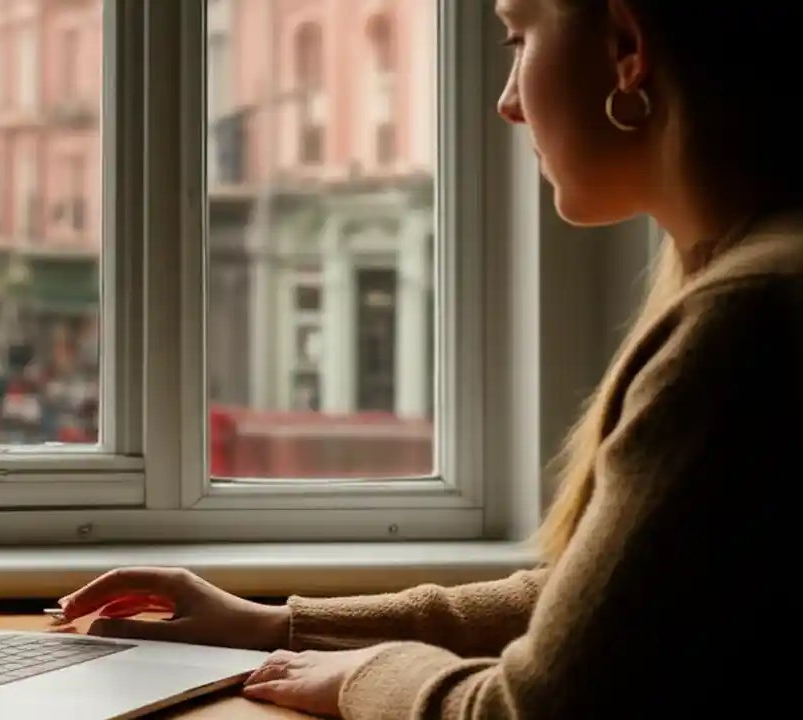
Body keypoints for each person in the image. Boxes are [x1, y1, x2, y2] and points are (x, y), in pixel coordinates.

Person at [56, 1, 802, 717]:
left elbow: (530, 710)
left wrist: (366, 674)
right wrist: (275, 625)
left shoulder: (746, 321)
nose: (507, 103)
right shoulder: (763, 283)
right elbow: (594, 605)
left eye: (518, 39)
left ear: (626, 49)